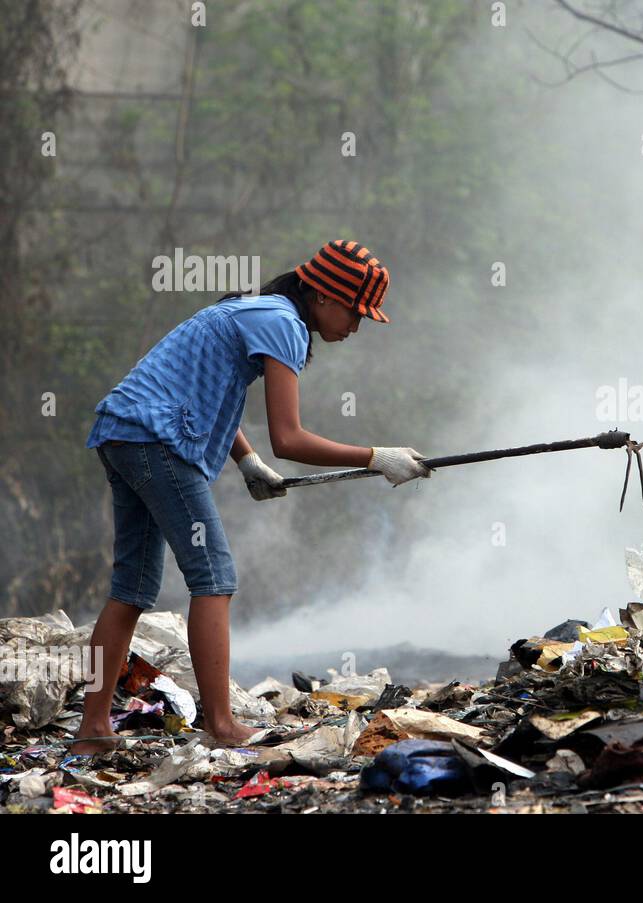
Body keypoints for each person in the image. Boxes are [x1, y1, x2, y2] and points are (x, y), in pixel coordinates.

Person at [71, 240, 430, 754]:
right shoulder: (282, 323)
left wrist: (245, 461)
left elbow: (207, 386)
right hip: (157, 441)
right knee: (213, 576)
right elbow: (291, 439)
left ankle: (93, 729)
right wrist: (376, 456)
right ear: (326, 296)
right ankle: (220, 724)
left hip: (123, 432)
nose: (355, 327)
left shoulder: (255, 308)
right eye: (356, 313)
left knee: (131, 589)